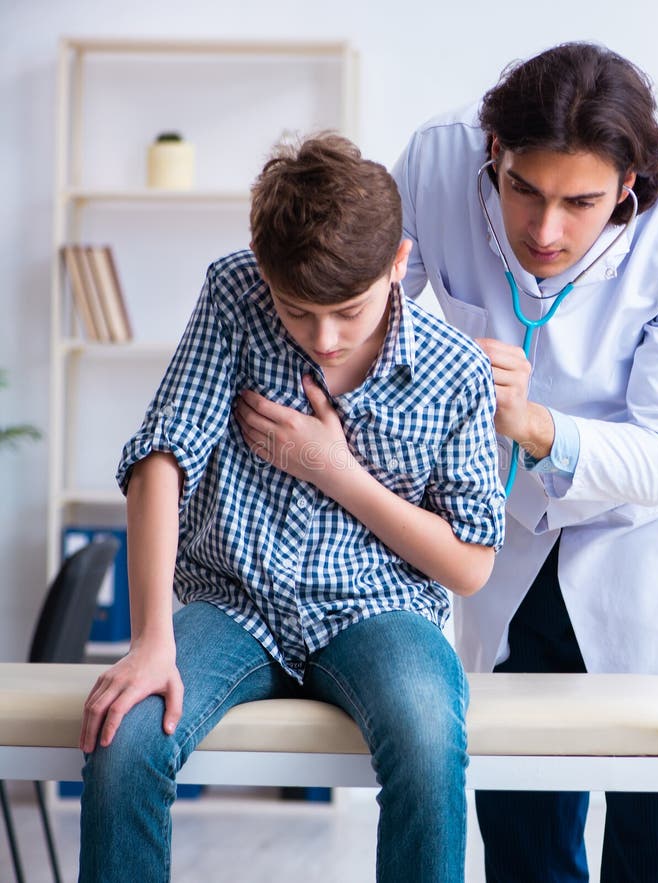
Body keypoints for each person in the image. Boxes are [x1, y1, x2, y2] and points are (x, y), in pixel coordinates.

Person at [389, 42, 658, 883]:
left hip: (656, 531)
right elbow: (360, 308)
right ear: (493, 152)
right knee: (521, 817)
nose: (544, 230)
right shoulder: (433, 161)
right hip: (511, 526)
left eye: (582, 202)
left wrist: (533, 423)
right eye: (523, 189)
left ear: (628, 187)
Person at [78, 134, 505, 883]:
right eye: (298, 310)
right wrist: (151, 641)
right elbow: (161, 457)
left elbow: (470, 564)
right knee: (127, 735)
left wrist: (335, 471)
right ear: (261, 263)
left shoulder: (457, 370)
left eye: (348, 310)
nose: (324, 338)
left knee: (430, 736)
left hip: (379, 610)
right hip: (233, 603)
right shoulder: (235, 294)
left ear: (399, 262)